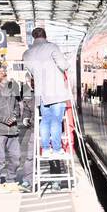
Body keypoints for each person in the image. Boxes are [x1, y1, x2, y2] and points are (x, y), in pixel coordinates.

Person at [24, 27, 71, 155]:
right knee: (56, 120)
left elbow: (32, 72)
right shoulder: (52, 47)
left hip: (41, 94)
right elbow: (63, 65)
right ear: (45, 36)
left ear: (34, 37)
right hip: (56, 92)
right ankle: (56, 149)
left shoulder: (27, 53)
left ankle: (45, 148)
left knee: (45, 120)